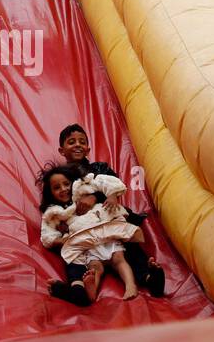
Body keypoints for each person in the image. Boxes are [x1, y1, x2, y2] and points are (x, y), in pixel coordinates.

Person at [57, 123, 166, 297]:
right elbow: (56, 199)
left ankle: (148, 277)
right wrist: (61, 221)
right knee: (72, 252)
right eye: (71, 142)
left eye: (82, 142)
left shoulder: (99, 169)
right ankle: (77, 287)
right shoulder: (61, 177)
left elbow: (114, 186)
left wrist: (100, 197)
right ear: (62, 150)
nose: (77, 144)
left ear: (88, 149)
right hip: (83, 227)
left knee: (128, 245)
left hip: (107, 219)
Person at [40, 165, 146, 301]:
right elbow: (47, 232)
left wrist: (112, 195)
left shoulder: (82, 189)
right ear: (51, 193)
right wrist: (58, 240)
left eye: (66, 184)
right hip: (86, 242)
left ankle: (130, 286)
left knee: (119, 259)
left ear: (73, 182)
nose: (64, 189)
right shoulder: (55, 212)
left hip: (103, 231)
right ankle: (89, 292)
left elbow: (104, 182)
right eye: (57, 187)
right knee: (94, 267)